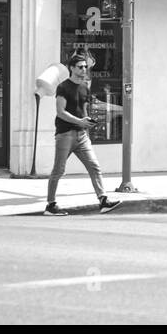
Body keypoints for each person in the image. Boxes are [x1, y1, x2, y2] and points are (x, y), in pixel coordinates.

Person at [43, 55, 123, 215]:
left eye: (85, 67)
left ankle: (103, 201)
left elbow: (84, 111)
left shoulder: (85, 88)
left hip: (81, 136)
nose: (84, 70)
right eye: (80, 67)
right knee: (58, 170)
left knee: (94, 167)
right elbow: (60, 112)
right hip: (65, 135)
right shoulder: (63, 87)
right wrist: (80, 121)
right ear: (71, 68)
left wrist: (87, 126)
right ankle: (50, 206)